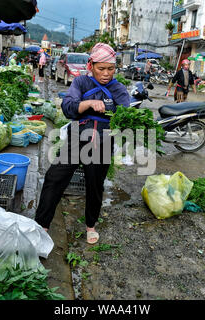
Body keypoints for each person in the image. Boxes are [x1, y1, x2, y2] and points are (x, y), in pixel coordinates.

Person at [34, 43, 130, 244]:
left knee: (95, 185)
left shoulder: (118, 88)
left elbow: (125, 116)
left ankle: (90, 225)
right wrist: (87, 104)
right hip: (78, 136)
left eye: (110, 69)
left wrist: (115, 115)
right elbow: (68, 108)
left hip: (103, 141)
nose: (106, 73)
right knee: (54, 177)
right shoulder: (80, 83)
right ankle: (42, 225)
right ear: (91, 65)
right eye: (101, 68)